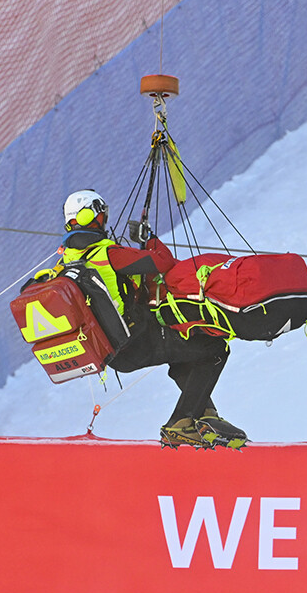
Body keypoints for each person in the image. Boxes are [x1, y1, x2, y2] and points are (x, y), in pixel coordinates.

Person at [46, 189, 247, 448]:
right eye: (102, 215)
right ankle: (181, 423)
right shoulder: (108, 254)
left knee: (185, 352)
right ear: (92, 216)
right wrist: (148, 238)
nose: (105, 220)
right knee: (214, 347)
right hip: (135, 341)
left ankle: (203, 416)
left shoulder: (66, 262)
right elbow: (163, 263)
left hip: (114, 351)